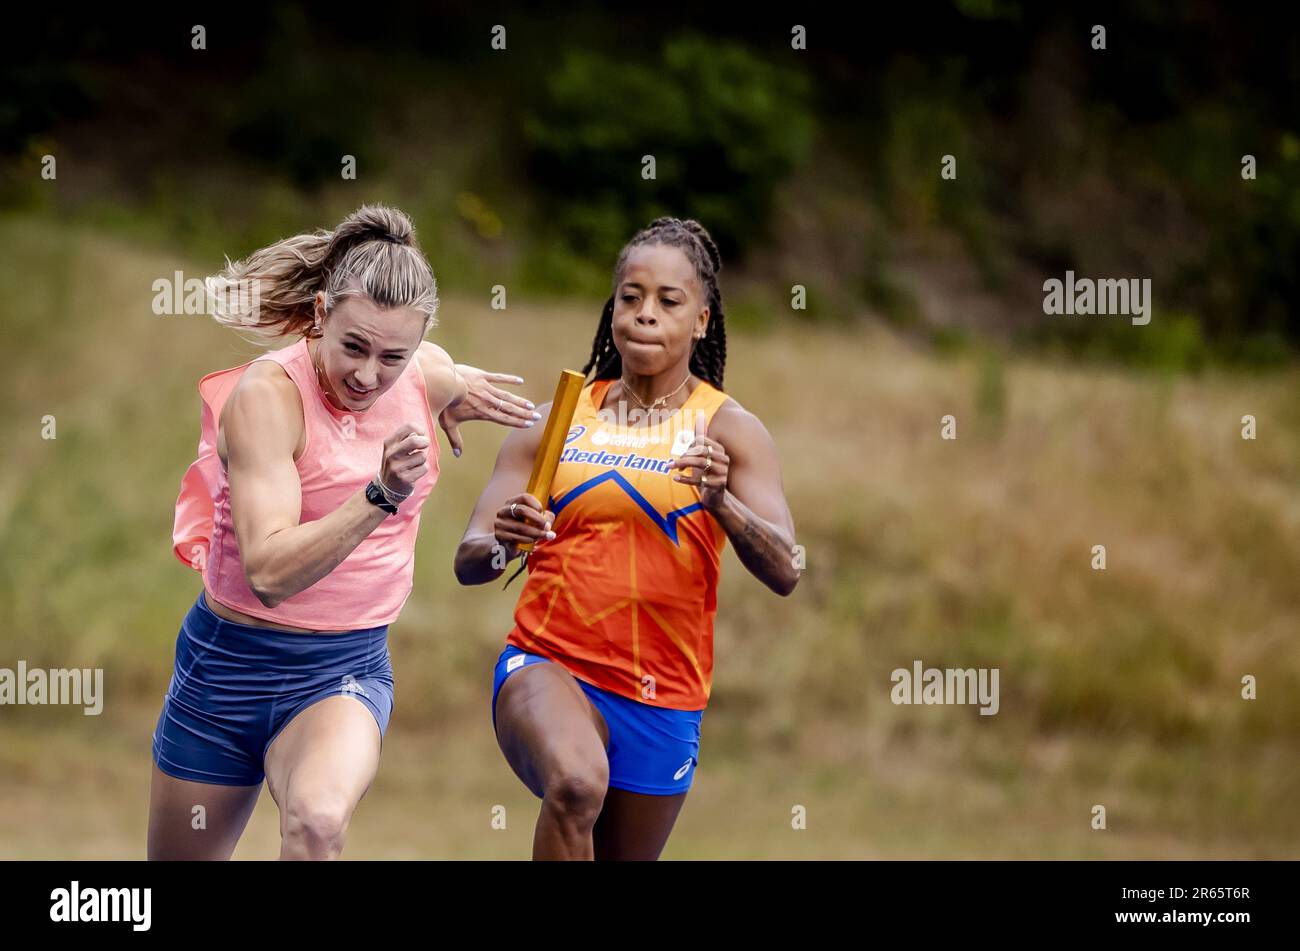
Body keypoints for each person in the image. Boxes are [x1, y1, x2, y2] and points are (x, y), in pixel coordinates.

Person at [149, 204, 538, 859]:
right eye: (353, 346)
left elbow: (437, 376)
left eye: (392, 356)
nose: (367, 375)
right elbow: (268, 573)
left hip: (340, 672)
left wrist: (454, 391)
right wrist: (380, 494)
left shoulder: (423, 375)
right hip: (226, 666)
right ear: (322, 313)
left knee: (318, 819)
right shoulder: (267, 399)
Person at [455, 216, 801, 860]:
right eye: (630, 297)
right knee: (576, 784)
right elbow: (471, 559)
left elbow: (786, 568)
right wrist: (505, 538)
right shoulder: (558, 417)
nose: (645, 315)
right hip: (546, 664)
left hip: (663, 697)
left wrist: (723, 504)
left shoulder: (730, 431)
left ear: (700, 320)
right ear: (612, 307)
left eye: (668, 302)